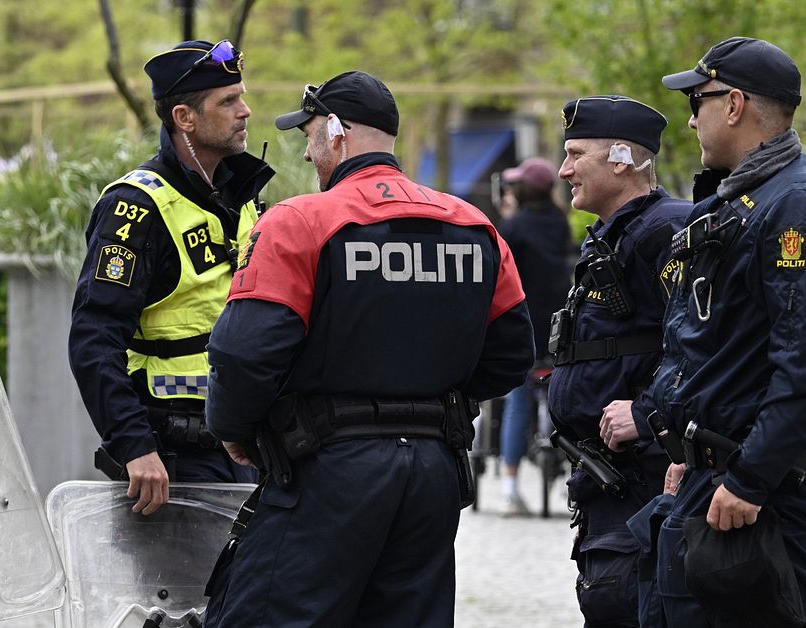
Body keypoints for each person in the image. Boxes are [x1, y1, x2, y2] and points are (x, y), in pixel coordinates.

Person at [202, 71, 534, 626]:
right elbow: (511, 353)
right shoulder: (474, 225)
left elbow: (245, 353)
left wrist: (235, 429)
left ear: (336, 131)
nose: (307, 156)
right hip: (431, 475)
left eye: (308, 136)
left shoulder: (302, 222)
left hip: (327, 467)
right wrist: (431, 400)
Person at [637, 37, 806, 628]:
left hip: (753, 492)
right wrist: (683, 445)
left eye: (699, 100)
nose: (691, 118)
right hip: (713, 477)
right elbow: (709, 342)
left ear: (735, 103)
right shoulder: (744, 199)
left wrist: (750, 478)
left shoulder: (801, 206)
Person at [68, 39, 273, 515]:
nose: (245, 111)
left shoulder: (240, 195)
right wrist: (134, 445)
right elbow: (93, 338)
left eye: (241, 96)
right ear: (185, 118)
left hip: (243, 449)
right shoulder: (135, 209)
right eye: (228, 101)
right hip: (172, 459)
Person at [545, 95, 691, 626]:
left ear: (622, 157)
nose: (564, 170)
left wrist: (650, 413)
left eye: (576, 154)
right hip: (610, 479)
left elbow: (705, 343)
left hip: (645, 473)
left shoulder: (664, 230)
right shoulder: (620, 232)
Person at [494, 156, 572, 516]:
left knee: (517, 400)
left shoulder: (515, 225)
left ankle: (510, 486)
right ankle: (568, 473)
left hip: (522, 323)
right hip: (558, 323)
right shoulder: (560, 223)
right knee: (560, 396)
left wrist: (508, 216)